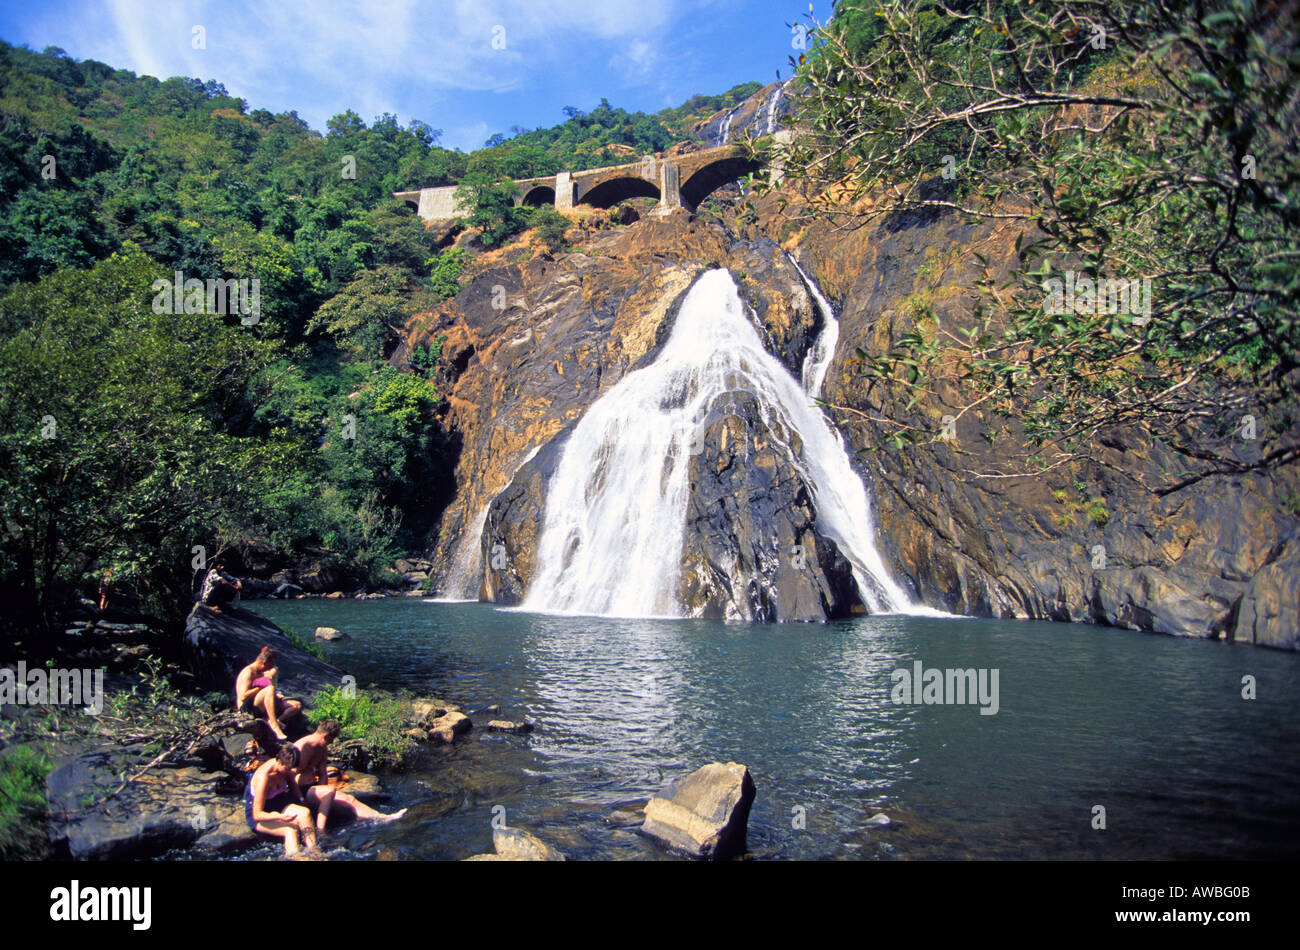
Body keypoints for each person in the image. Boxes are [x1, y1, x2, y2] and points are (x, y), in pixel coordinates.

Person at [294, 720, 407, 832]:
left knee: (350, 799)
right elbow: (289, 776)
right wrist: (301, 799)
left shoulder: (322, 748)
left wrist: (323, 796)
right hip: (300, 791)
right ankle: (320, 830)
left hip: (313, 789)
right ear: (326, 736)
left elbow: (323, 773)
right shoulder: (301, 747)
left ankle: (382, 817)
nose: (331, 743)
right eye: (331, 740)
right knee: (330, 792)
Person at [244, 743, 318, 858]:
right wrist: (279, 817)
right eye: (287, 768)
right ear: (278, 760)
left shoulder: (286, 769)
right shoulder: (264, 777)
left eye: (291, 768)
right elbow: (257, 815)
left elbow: (293, 784)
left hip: (279, 804)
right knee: (290, 830)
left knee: (305, 813)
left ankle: (314, 852)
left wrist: (302, 801)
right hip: (261, 815)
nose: (290, 771)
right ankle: (298, 858)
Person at [234, 646, 303, 741]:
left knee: (296, 705)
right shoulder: (248, 672)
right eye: (269, 666)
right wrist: (261, 687)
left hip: (259, 703)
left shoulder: (262, 669)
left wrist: (271, 678)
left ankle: (274, 720)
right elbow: (243, 697)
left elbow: (274, 669)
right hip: (247, 708)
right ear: (263, 663)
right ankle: (275, 726)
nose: (271, 668)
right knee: (269, 688)